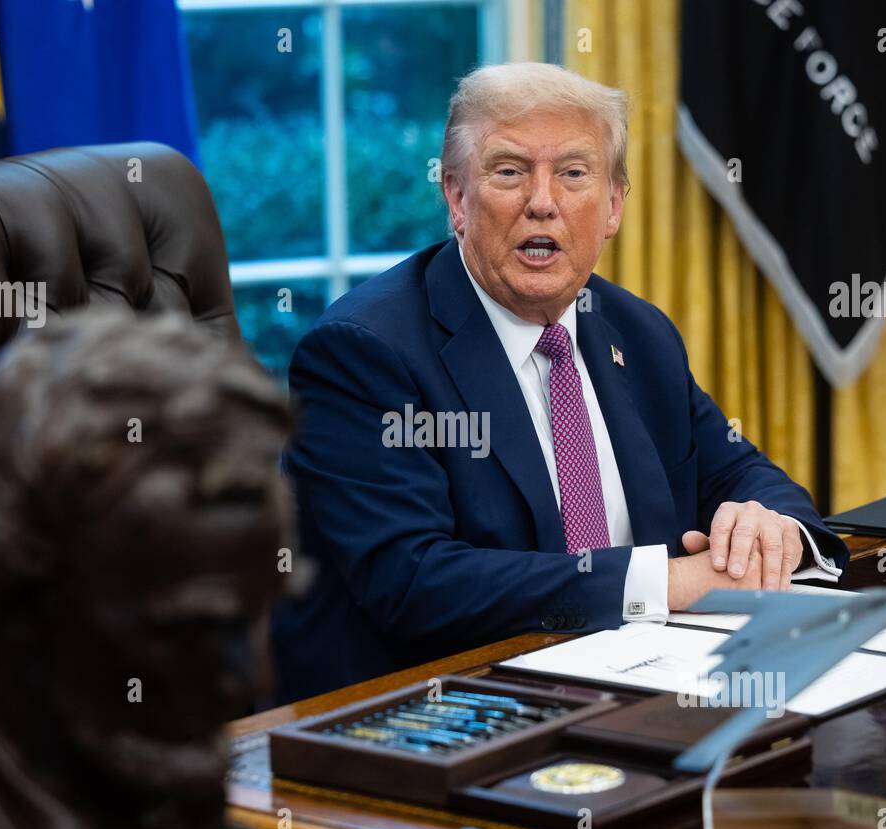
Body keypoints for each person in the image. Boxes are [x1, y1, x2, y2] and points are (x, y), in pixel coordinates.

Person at [272, 62, 848, 702]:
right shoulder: (364, 354)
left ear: (613, 207)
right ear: (458, 198)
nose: (542, 201)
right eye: (510, 172)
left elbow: (742, 473)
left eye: (574, 174)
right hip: (439, 709)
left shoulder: (638, 332)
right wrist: (671, 583)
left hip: (642, 684)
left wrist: (770, 531)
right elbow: (413, 582)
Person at [0, 309, 295, 829]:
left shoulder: (196, 827)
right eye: (187, 630)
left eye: (255, 616)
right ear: (25, 606)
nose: (248, 679)